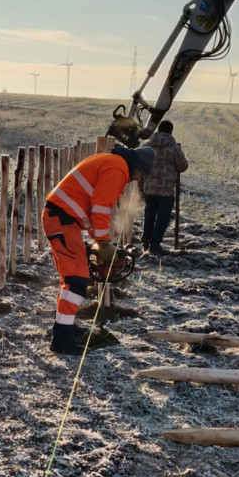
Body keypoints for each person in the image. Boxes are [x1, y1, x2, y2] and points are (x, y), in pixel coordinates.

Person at [41, 145, 156, 354]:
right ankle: (61, 341)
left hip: (62, 219)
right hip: (62, 220)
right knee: (76, 280)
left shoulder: (112, 162)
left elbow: (94, 208)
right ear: (138, 167)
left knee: (69, 280)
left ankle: (64, 328)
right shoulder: (118, 168)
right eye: (141, 175)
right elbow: (101, 206)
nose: (137, 180)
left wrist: (99, 240)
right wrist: (103, 243)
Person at [141, 120, 188, 255]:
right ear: (171, 132)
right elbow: (183, 166)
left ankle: (146, 242)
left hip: (149, 187)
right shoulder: (174, 148)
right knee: (163, 218)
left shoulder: (147, 146)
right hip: (165, 190)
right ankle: (155, 245)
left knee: (149, 215)